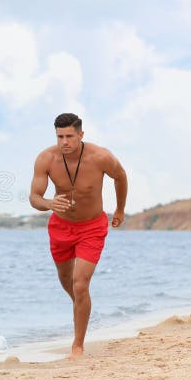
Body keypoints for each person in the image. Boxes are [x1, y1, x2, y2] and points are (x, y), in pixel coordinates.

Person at [29, 113, 128, 360]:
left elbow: (121, 177)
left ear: (81, 135)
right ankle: (81, 304)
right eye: (60, 136)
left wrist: (119, 209)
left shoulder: (100, 157)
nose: (64, 142)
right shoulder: (46, 159)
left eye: (69, 136)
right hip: (61, 227)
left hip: (92, 227)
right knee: (66, 280)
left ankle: (77, 346)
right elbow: (34, 197)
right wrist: (49, 203)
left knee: (80, 283)